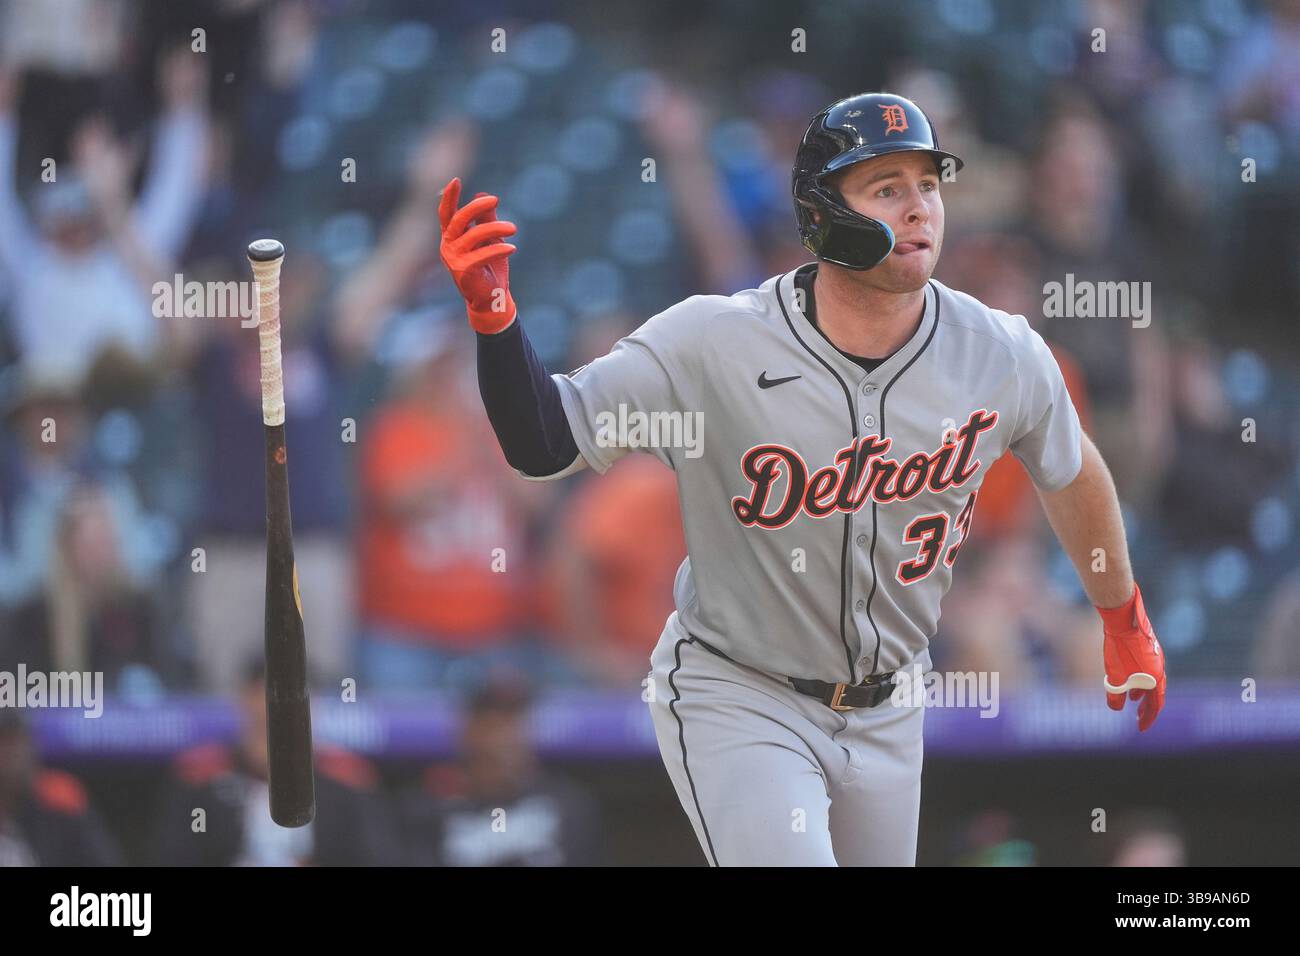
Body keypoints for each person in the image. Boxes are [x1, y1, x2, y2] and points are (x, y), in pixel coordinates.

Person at [439, 92, 1166, 867]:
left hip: (892, 704)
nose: (920, 208)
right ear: (824, 214)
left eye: (928, 184)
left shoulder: (999, 351)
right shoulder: (714, 340)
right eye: (887, 188)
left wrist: (1123, 620)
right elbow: (546, 443)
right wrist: (495, 323)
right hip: (740, 689)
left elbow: (1072, 466)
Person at [151, 660, 398, 866]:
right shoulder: (201, 779)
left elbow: (373, 857)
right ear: (242, 705)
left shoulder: (346, 781)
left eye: (286, 727)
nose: (274, 740)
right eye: (263, 723)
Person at [399, 673, 600, 866]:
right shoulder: (429, 805)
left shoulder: (566, 803)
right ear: (468, 731)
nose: (505, 737)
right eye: (493, 723)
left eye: (514, 721)